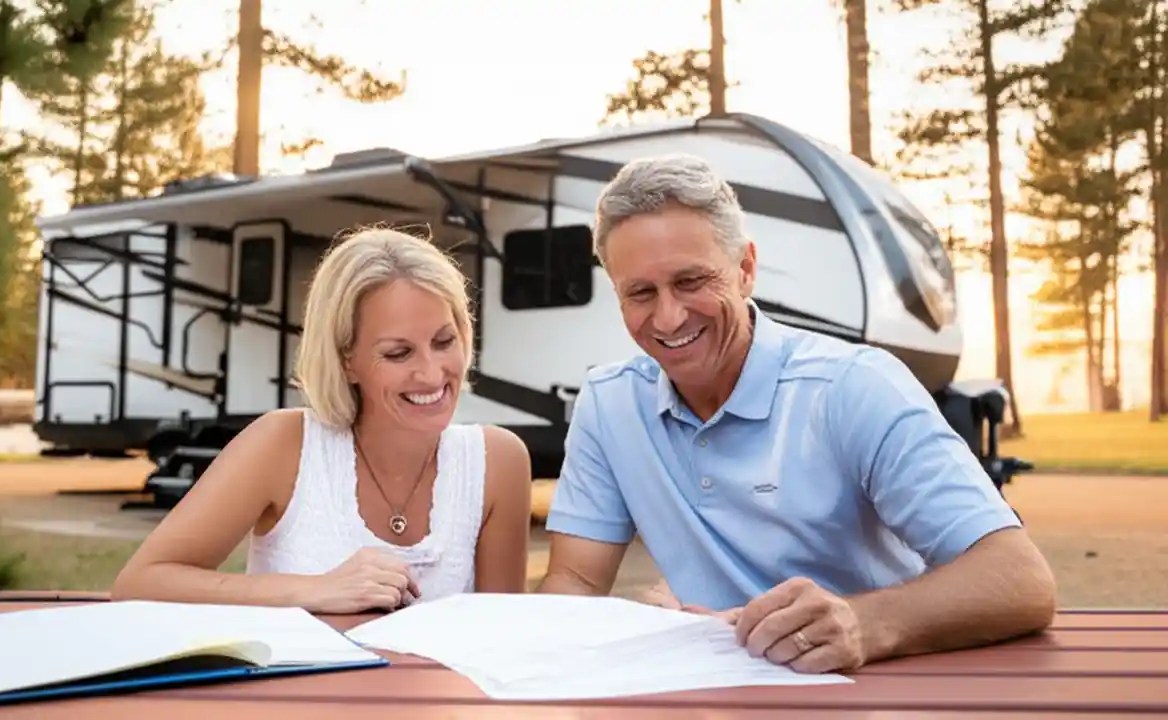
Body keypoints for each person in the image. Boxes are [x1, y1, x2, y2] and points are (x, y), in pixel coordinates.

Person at [537, 154, 1057, 673]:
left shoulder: (854, 385)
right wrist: (633, 626)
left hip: (867, 689)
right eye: (641, 293)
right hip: (712, 690)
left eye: (691, 281)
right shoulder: (608, 403)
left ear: (745, 269)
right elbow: (575, 582)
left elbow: (1019, 578)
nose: (669, 318)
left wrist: (862, 624)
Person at [113, 226, 532, 613]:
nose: (431, 373)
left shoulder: (498, 462)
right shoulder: (283, 445)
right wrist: (312, 590)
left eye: (444, 341)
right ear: (346, 359)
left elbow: (501, 633)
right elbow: (140, 582)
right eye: (398, 353)